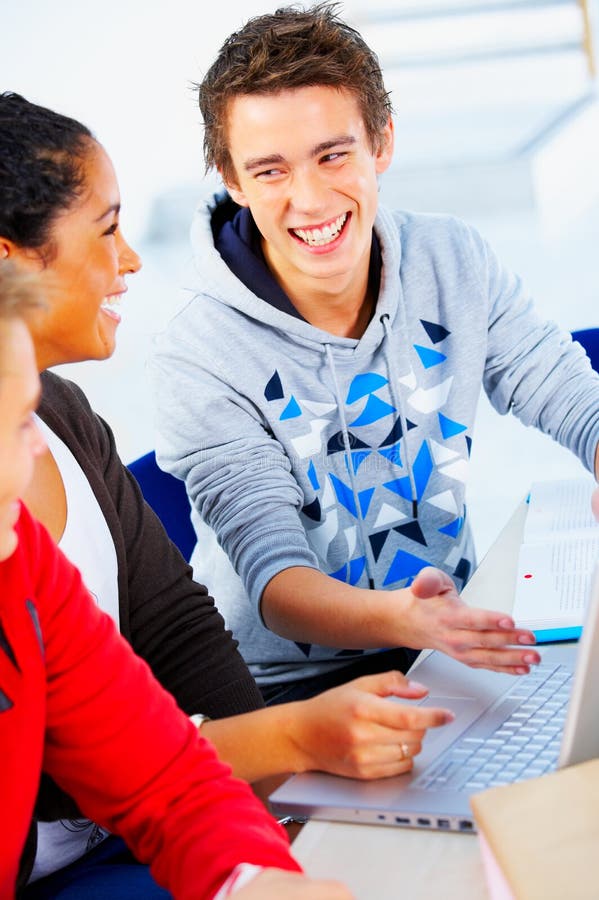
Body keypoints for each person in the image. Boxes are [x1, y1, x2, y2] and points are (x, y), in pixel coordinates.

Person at [0, 91, 452, 895]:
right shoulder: (201, 350)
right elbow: (57, 761)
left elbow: (146, 746)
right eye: (107, 229)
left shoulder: (33, 504)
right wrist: (283, 739)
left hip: (135, 824)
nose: (132, 259)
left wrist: (265, 850)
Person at [149, 1, 599, 705]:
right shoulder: (197, 350)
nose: (309, 200)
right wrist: (412, 621)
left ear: (381, 142)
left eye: (332, 155)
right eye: (270, 171)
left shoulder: (450, 257)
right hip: (285, 694)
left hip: (443, 647)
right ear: (231, 180)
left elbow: (561, 385)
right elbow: (274, 579)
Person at [0, 263, 353, 900]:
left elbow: (151, 765)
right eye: (20, 421)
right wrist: (291, 737)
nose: (39, 449)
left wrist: (252, 876)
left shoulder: (20, 554)